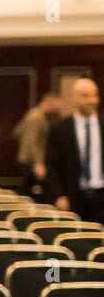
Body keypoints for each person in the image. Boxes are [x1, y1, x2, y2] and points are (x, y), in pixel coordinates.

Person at [44, 78, 104, 224]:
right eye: (86, 96)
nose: (92, 100)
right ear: (75, 98)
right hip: (73, 197)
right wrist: (58, 195)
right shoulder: (60, 129)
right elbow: (51, 165)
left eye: (95, 95)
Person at [13, 90, 60, 198]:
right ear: (49, 102)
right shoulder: (36, 117)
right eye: (56, 106)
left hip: (28, 159)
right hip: (31, 161)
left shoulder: (35, 114)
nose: (57, 110)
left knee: (27, 192)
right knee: (29, 194)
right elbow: (32, 142)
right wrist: (38, 163)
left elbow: (17, 132)